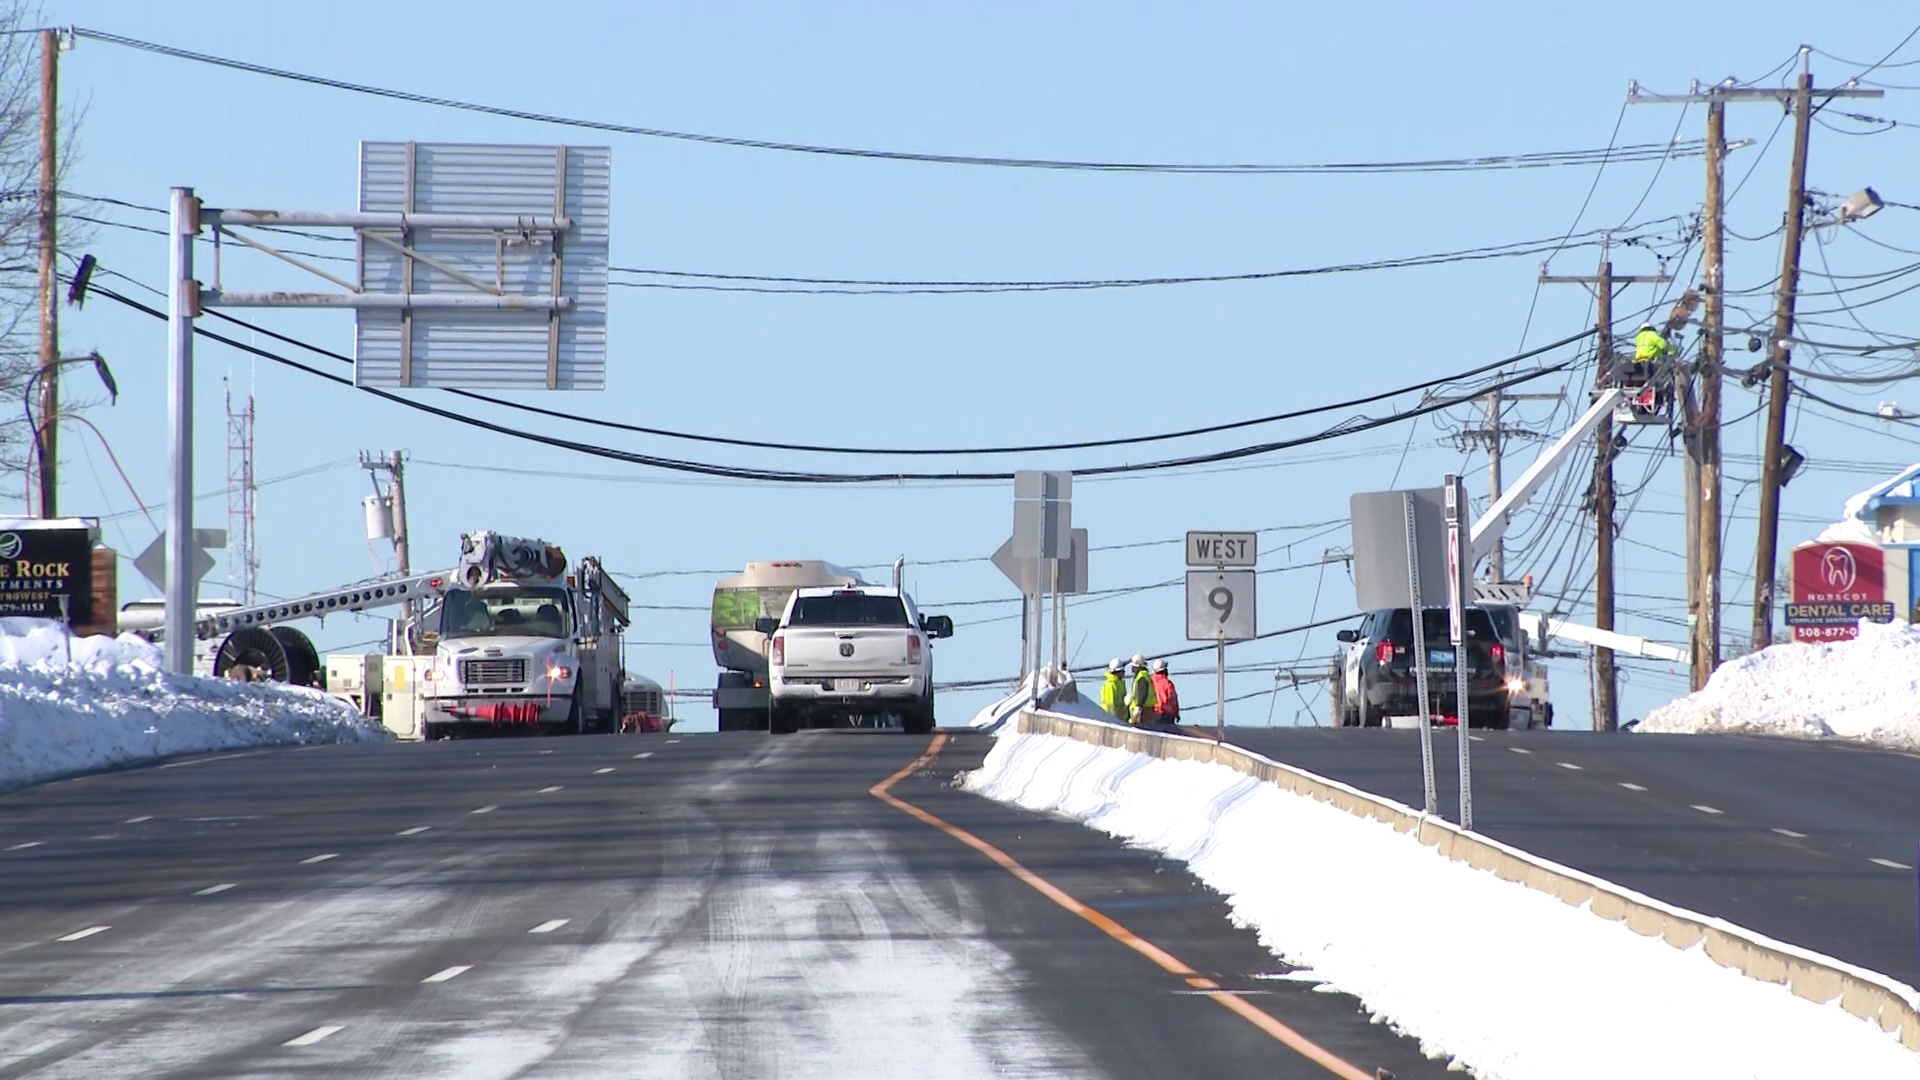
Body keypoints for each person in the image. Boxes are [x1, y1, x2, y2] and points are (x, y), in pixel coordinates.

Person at [1128, 654, 1158, 726]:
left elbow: (1142, 692)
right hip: (1145, 709)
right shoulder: (1142, 676)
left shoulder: (1142, 677)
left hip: (1144, 710)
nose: (1132, 668)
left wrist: (1139, 707)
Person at [1149, 658, 1180, 725]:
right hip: (1167, 716)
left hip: (1152, 714)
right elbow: (1173, 700)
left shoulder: (1149, 682)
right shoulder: (1168, 684)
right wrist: (1176, 713)